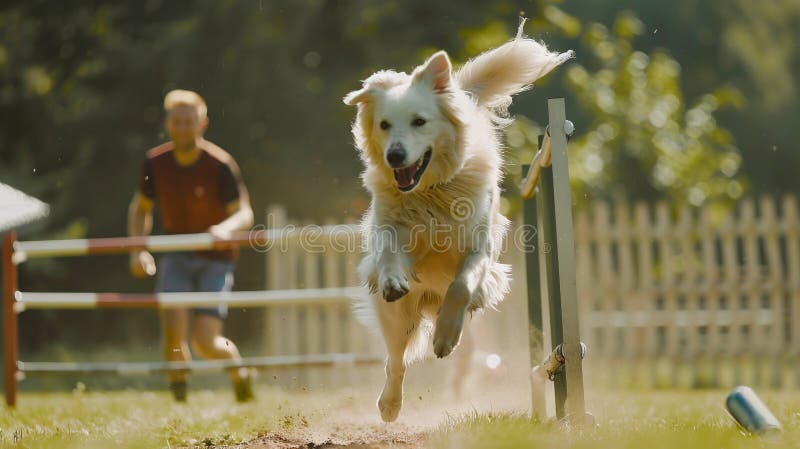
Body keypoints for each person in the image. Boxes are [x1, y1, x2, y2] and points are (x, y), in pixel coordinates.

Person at [127, 89, 255, 402]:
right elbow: (140, 208)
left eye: (189, 121)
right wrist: (138, 249)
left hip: (216, 258)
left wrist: (223, 229)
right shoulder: (155, 163)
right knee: (173, 331)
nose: (183, 127)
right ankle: (180, 400)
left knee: (205, 343)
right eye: (177, 121)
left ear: (202, 124)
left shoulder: (219, 164)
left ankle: (240, 373)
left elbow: (245, 213)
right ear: (168, 124)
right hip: (176, 255)